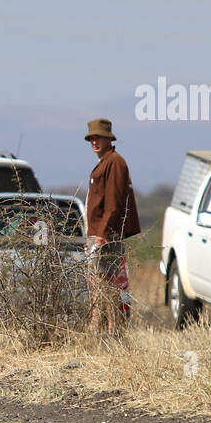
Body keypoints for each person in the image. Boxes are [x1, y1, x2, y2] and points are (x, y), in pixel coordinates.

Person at [83, 118, 140, 334]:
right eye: (92, 138)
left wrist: (103, 233)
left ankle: (111, 328)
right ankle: (100, 327)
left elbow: (114, 203)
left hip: (106, 234)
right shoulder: (105, 162)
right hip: (99, 232)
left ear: (109, 138)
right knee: (100, 281)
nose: (95, 141)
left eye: (99, 137)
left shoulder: (115, 162)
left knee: (105, 282)